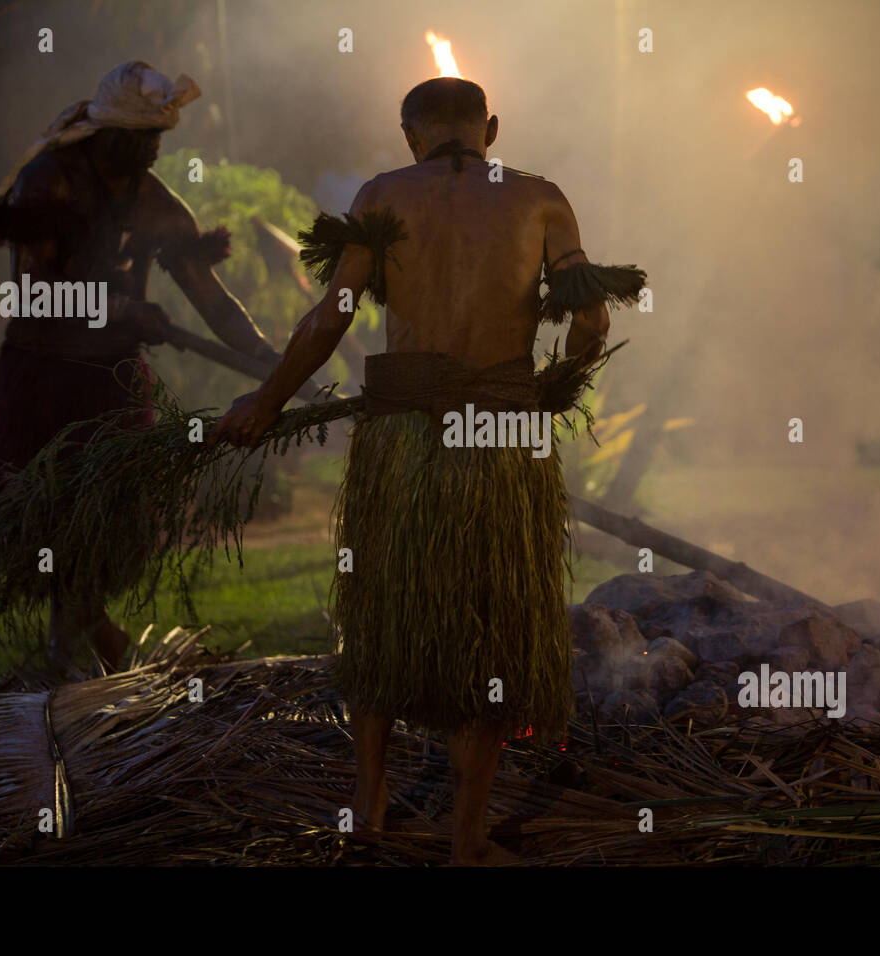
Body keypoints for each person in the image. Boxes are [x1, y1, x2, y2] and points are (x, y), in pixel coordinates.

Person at [211, 77, 641, 864]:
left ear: (411, 137)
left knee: (381, 616)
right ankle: (467, 835)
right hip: (502, 437)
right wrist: (555, 386)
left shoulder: (382, 195)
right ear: (491, 129)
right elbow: (592, 316)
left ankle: (368, 802)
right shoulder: (540, 198)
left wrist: (265, 402)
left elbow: (333, 315)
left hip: (400, 438)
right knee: (493, 624)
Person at [0, 62, 280, 669]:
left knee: (99, 533)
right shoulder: (48, 181)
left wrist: (273, 360)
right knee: (50, 530)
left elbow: (214, 303)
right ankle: (83, 658)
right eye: (143, 139)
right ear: (108, 133)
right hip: (41, 380)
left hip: (111, 383)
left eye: (158, 138)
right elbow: (31, 293)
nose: (154, 150)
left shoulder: (156, 204)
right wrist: (120, 310)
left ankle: (79, 659)